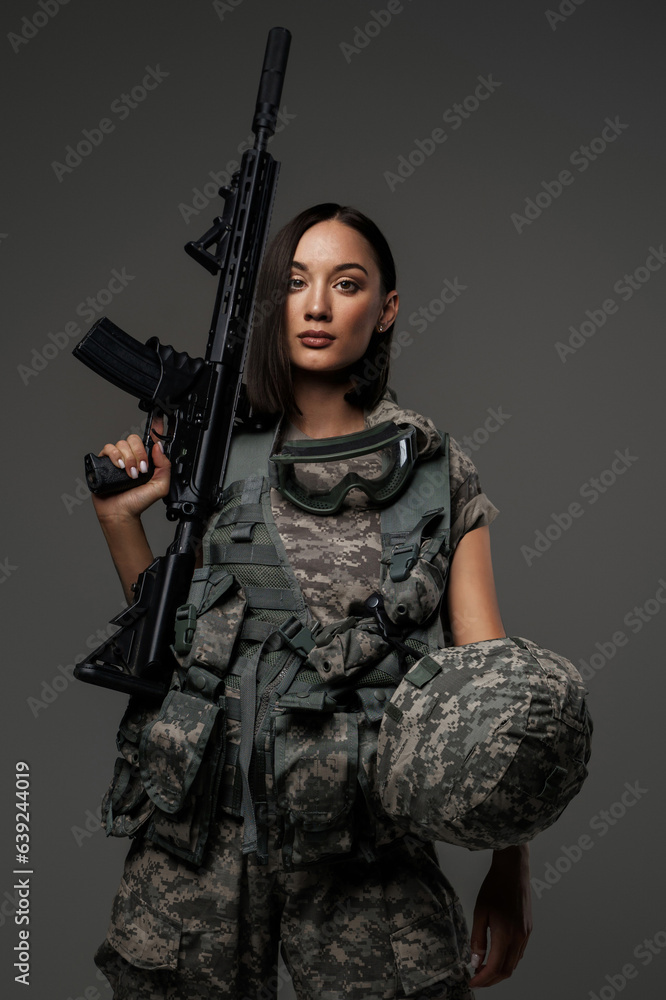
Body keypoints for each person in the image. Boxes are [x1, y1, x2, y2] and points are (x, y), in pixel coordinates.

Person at [90, 203, 532, 999]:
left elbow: (489, 691)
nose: (319, 306)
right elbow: (178, 651)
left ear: (386, 309)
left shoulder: (434, 470)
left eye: (346, 283)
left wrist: (511, 862)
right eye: (295, 283)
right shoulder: (213, 450)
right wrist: (123, 520)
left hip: (366, 852)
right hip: (198, 847)